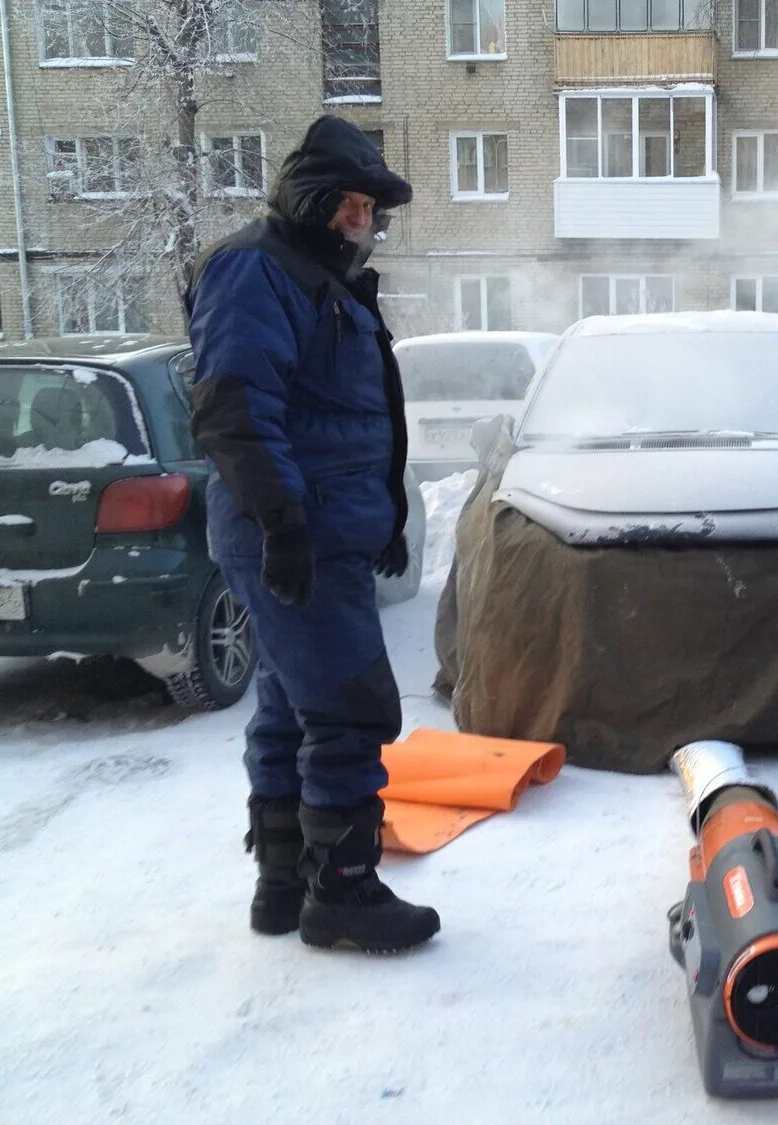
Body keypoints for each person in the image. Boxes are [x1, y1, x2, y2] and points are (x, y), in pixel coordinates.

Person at [186, 116, 439, 953]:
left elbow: (353, 420)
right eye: (350, 206)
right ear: (312, 198)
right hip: (295, 533)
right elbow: (235, 407)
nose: (362, 224)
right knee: (349, 707)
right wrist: (283, 523)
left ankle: (284, 881)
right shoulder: (255, 269)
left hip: (323, 530)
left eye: (370, 210)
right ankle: (344, 888)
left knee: (293, 705)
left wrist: (387, 519)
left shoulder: (316, 279)